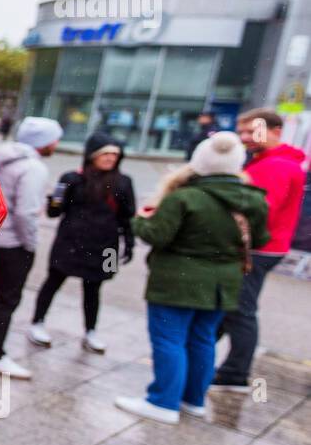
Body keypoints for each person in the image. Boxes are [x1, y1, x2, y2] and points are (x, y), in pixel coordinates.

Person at [117, 132, 269, 424]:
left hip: (177, 280)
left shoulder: (185, 197)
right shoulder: (254, 199)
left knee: (169, 339)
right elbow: (259, 239)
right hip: (223, 284)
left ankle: (162, 401)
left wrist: (139, 219)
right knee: (203, 340)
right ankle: (193, 400)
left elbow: (157, 235)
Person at [213, 108, 307, 393]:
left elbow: (258, 213)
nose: (244, 137)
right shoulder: (270, 161)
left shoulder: (275, 165)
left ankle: (235, 373)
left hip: (257, 248)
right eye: (240, 131)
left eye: (251, 131)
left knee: (240, 310)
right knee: (230, 306)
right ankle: (201, 353)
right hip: (261, 246)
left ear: (276, 131)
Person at [0, 116, 64, 379]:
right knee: (7, 300)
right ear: (44, 142)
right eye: (54, 139)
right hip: (13, 244)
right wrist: (30, 244)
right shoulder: (34, 168)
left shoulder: (0, 157)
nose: (56, 144)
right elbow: (26, 212)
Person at [27, 131, 135, 353]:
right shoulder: (71, 178)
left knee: (95, 287)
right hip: (70, 241)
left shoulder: (124, 183)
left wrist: (129, 243)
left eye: (115, 155)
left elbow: (127, 216)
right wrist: (55, 200)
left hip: (107, 246)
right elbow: (54, 211)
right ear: (92, 155)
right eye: (105, 154)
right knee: (54, 281)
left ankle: (91, 331)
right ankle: (37, 322)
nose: (110, 159)